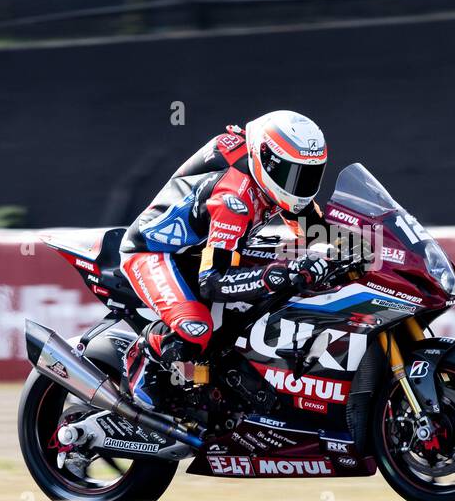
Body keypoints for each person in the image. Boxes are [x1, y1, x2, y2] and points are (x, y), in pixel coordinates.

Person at [118, 109, 333, 409]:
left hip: (203, 251)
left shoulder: (270, 175)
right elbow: (213, 282)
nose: (300, 185)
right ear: (267, 159)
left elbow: (321, 235)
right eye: (292, 174)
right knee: (196, 329)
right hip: (155, 253)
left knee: (286, 278)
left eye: (309, 174)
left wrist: (366, 249)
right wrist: (278, 274)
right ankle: (144, 355)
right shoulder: (234, 194)